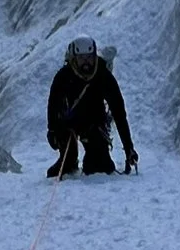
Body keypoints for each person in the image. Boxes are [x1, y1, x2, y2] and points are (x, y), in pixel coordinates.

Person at [46, 35, 137, 177]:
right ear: (73, 58)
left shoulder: (103, 75)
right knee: (65, 163)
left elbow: (119, 112)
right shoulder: (63, 76)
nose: (86, 62)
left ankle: (91, 157)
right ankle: (69, 159)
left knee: (99, 167)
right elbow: (53, 106)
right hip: (68, 124)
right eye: (82, 58)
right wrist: (53, 131)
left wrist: (129, 148)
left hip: (94, 123)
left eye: (89, 57)